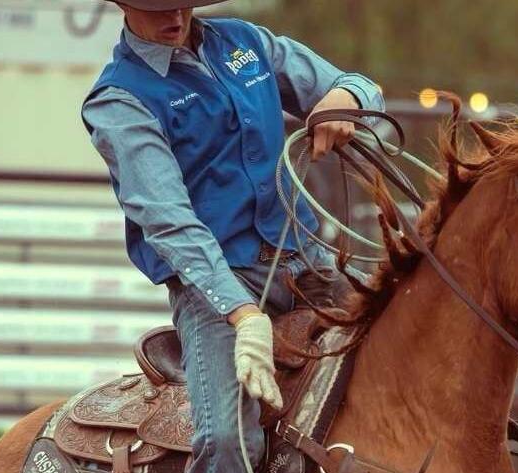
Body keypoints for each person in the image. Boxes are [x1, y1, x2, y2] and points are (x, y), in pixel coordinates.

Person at [81, 1, 384, 471]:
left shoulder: (246, 43)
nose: (175, 17)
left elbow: (358, 85)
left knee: (420, 323)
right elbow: (169, 222)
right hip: (215, 290)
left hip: (306, 265)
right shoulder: (119, 100)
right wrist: (242, 313)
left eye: (183, 4)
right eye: (158, 7)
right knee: (227, 441)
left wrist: (344, 100)